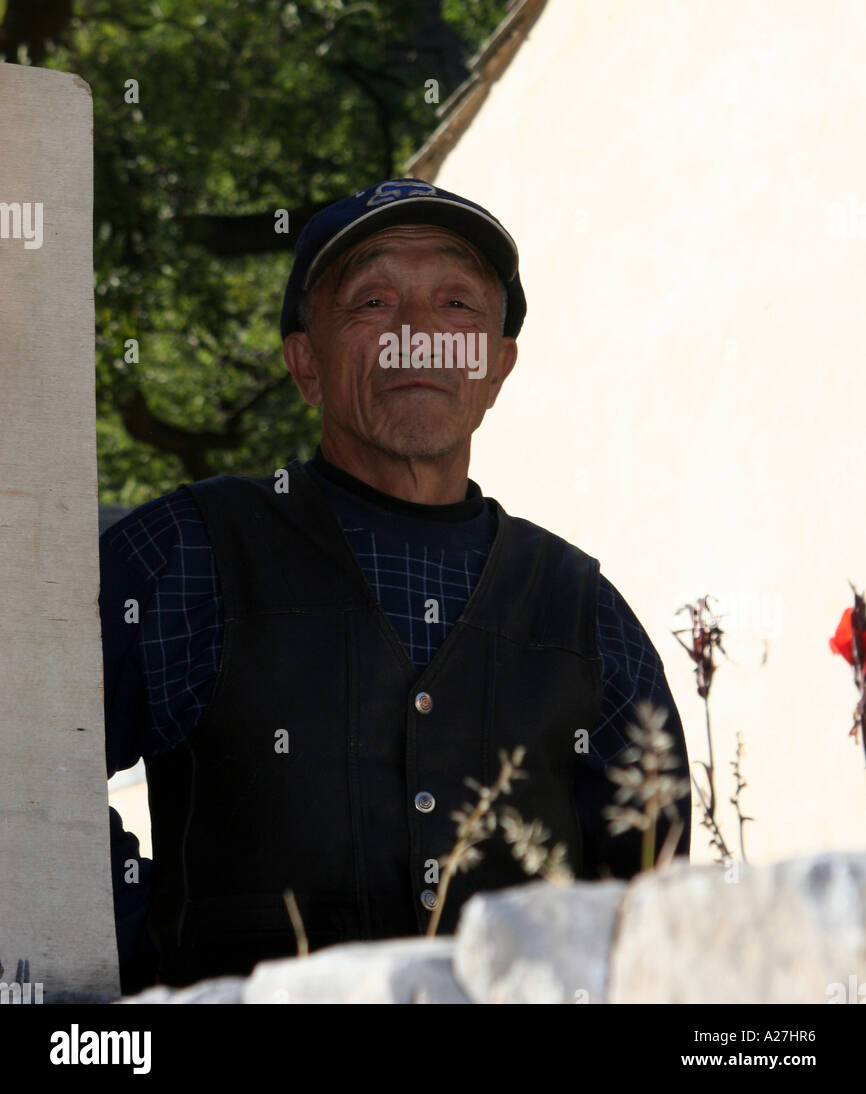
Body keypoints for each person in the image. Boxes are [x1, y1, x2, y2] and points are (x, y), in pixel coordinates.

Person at [100, 176, 691, 994]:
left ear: (496, 365)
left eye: (456, 307)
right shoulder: (187, 552)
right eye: (373, 303)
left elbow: (651, 912)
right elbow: (17, 761)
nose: (417, 336)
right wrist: (140, 960)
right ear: (306, 362)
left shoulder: (585, 613)